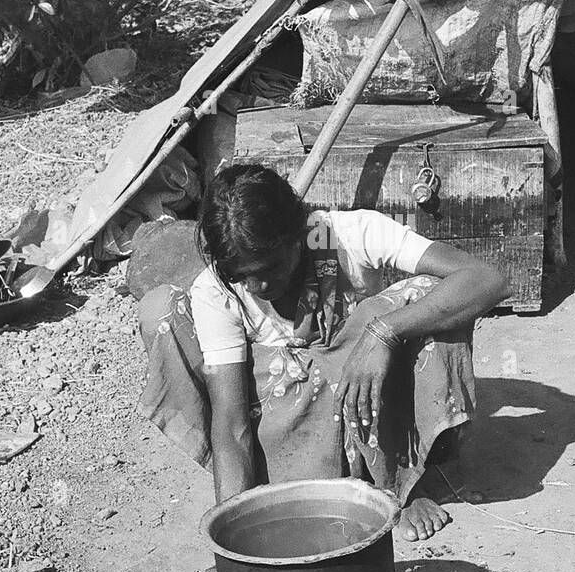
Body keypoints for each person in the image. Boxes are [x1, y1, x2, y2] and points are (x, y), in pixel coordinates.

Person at [135, 163, 506, 541]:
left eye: (269, 267)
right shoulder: (217, 290)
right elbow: (232, 423)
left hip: (360, 399)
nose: (257, 285)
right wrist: (237, 537)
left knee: (426, 293)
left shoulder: (349, 233)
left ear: (297, 234)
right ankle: (271, 487)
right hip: (281, 416)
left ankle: (403, 481)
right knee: (160, 311)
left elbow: (486, 280)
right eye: (241, 275)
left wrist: (383, 333)